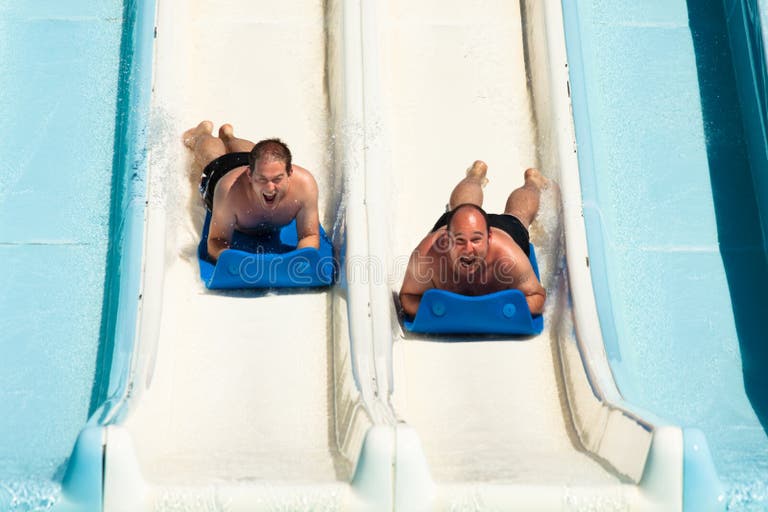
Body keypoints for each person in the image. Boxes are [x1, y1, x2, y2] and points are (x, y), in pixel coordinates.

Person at [399, 160, 547, 317]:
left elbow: (537, 297)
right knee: (462, 208)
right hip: (457, 224)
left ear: (489, 237)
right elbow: (408, 297)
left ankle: (533, 182)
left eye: (475, 241)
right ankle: (475, 175)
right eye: (460, 241)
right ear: (446, 240)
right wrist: (452, 311)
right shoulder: (428, 254)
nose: (468, 250)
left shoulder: (508, 254)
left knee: (519, 216)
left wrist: (490, 310)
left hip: (502, 230)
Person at [183, 121, 320, 261]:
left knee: (250, 154)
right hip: (222, 172)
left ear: (290, 172)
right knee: (213, 158)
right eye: (263, 180)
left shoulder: (305, 185)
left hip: (255, 164)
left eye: (277, 179)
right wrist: (230, 260)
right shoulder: (229, 191)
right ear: (249, 174)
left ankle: (229, 137)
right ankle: (202, 133)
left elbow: (310, 235)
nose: (270, 188)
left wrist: (301, 258)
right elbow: (216, 240)